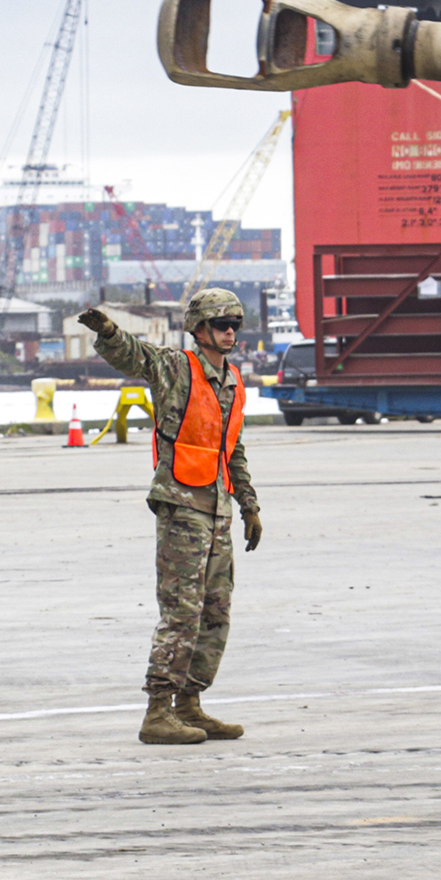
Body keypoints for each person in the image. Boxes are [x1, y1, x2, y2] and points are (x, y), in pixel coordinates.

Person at [79, 289, 264, 745]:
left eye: (234, 324)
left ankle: (190, 705)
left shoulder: (233, 381)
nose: (229, 331)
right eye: (221, 323)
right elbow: (136, 357)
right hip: (182, 503)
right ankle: (158, 711)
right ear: (199, 328)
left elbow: (232, 448)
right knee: (181, 610)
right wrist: (108, 332)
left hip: (218, 507)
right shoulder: (177, 368)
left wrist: (249, 504)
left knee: (215, 612)